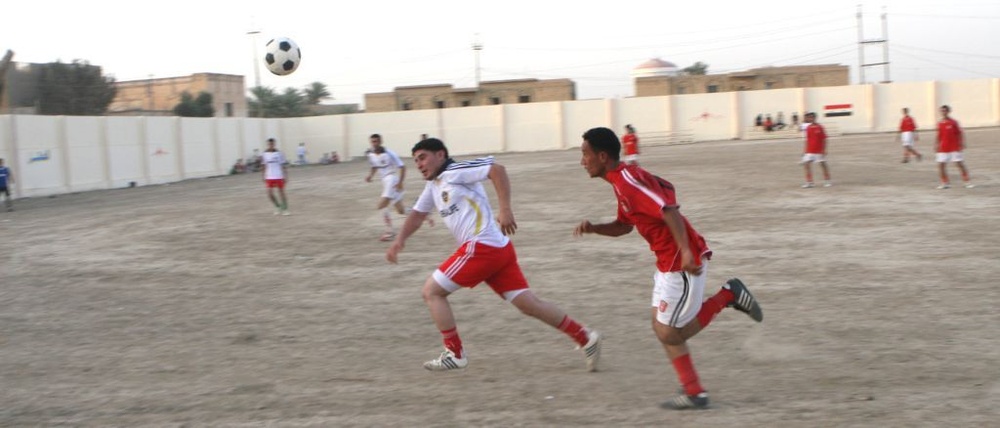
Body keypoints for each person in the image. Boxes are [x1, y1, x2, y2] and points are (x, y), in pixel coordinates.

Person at [573, 127, 762, 410]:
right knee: (660, 325)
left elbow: (668, 209)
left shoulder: (626, 182)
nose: (582, 161)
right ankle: (693, 391)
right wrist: (595, 229)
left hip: (680, 261)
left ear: (602, 156)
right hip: (666, 261)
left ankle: (728, 295)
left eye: (585, 154)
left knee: (670, 332)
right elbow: (625, 225)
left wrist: (685, 251)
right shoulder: (622, 181)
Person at [386, 138, 602, 372]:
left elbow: (497, 170)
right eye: (416, 160)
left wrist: (505, 209)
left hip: (482, 247)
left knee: (431, 292)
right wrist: (400, 240)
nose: (419, 164)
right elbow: (417, 214)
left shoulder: (455, 171)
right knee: (529, 304)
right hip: (497, 249)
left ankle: (454, 353)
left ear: (440, 155)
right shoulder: (433, 185)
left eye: (423, 157)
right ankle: (585, 337)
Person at [365, 134, 431, 241]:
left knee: (381, 205)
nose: (375, 143)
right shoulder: (371, 154)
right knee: (400, 210)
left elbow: (402, 167)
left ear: (381, 141)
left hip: (392, 180)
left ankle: (390, 232)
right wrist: (370, 176)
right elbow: (374, 166)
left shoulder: (389, 153)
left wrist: (400, 182)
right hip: (385, 181)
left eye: (376, 141)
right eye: (373, 141)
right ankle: (422, 213)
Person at [935, 105, 973, 189]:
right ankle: (945, 183)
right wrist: (936, 144)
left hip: (954, 147)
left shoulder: (953, 122)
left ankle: (967, 181)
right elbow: (939, 135)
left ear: (948, 112)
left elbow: (960, 133)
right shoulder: (940, 123)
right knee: (941, 165)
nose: (943, 112)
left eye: (945, 111)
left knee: (959, 164)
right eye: (942, 111)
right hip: (943, 148)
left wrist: (962, 143)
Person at [800, 112, 832, 188]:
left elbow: (824, 139)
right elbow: (807, 139)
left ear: (815, 118)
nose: (811, 119)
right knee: (806, 164)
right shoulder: (808, 128)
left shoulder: (820, 127)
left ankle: (827, 180)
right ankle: (809, 182)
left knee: (823, 164)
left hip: (818, 150)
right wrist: (805, 150)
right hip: (810, 150)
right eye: (809, 117)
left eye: (812, 117)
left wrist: (824, 149)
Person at [262, 138, 290, 215]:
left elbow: (283, 165)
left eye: (272, 144)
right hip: (269, 176)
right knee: (269, 194)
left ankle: (285, 209)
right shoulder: (264, 154)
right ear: (268, 144)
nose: (271, 145)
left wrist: (286, 176)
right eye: (269, 144)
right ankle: (278, 206)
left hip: (278, 175)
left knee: (281, 192)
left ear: (274, 144)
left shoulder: (279, 153)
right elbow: (264, 165)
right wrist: (263, 176)